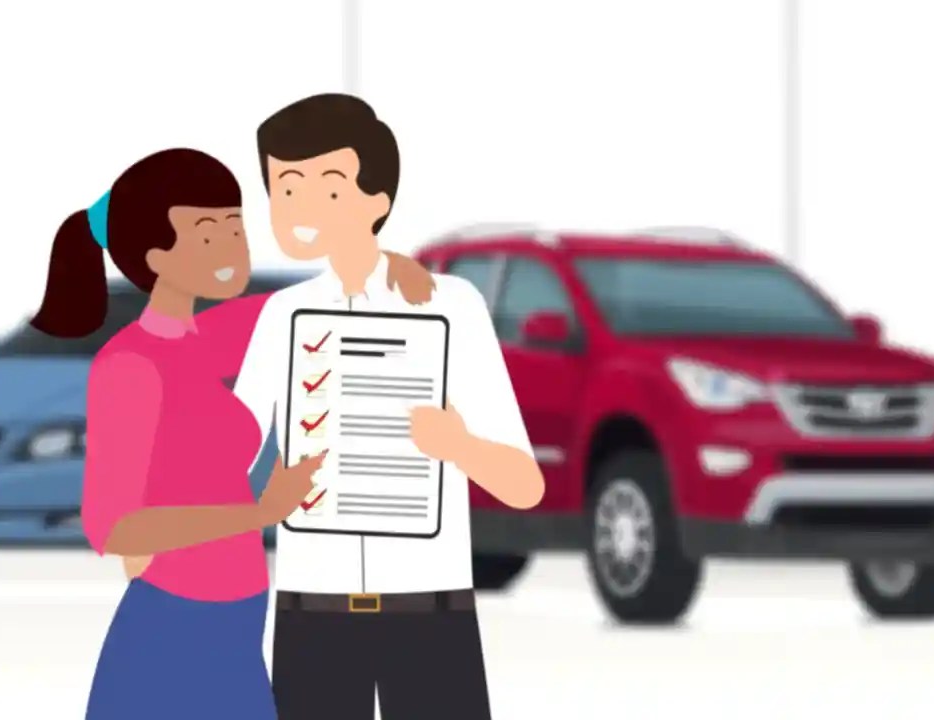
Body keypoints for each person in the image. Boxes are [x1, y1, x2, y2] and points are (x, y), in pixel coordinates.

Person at [28, 147, 436, 718]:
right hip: (171, 631)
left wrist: (391, 269)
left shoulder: (204, 339)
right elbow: (113, 526)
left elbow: (316, 303)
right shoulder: (130, 366)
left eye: (234, 226)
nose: (230, 246)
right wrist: (259, 513)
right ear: (155, 257)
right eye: (205, 233)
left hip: (236, 625)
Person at [232, 94, 546, 720]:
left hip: (431, 616)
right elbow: (225, 463)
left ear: (377, 199)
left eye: (327, 187)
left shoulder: (451, 307)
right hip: (311, 615)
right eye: (284, 189)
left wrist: (458, 446)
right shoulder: (280, 318)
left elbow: (524, 484)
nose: (300, 210)